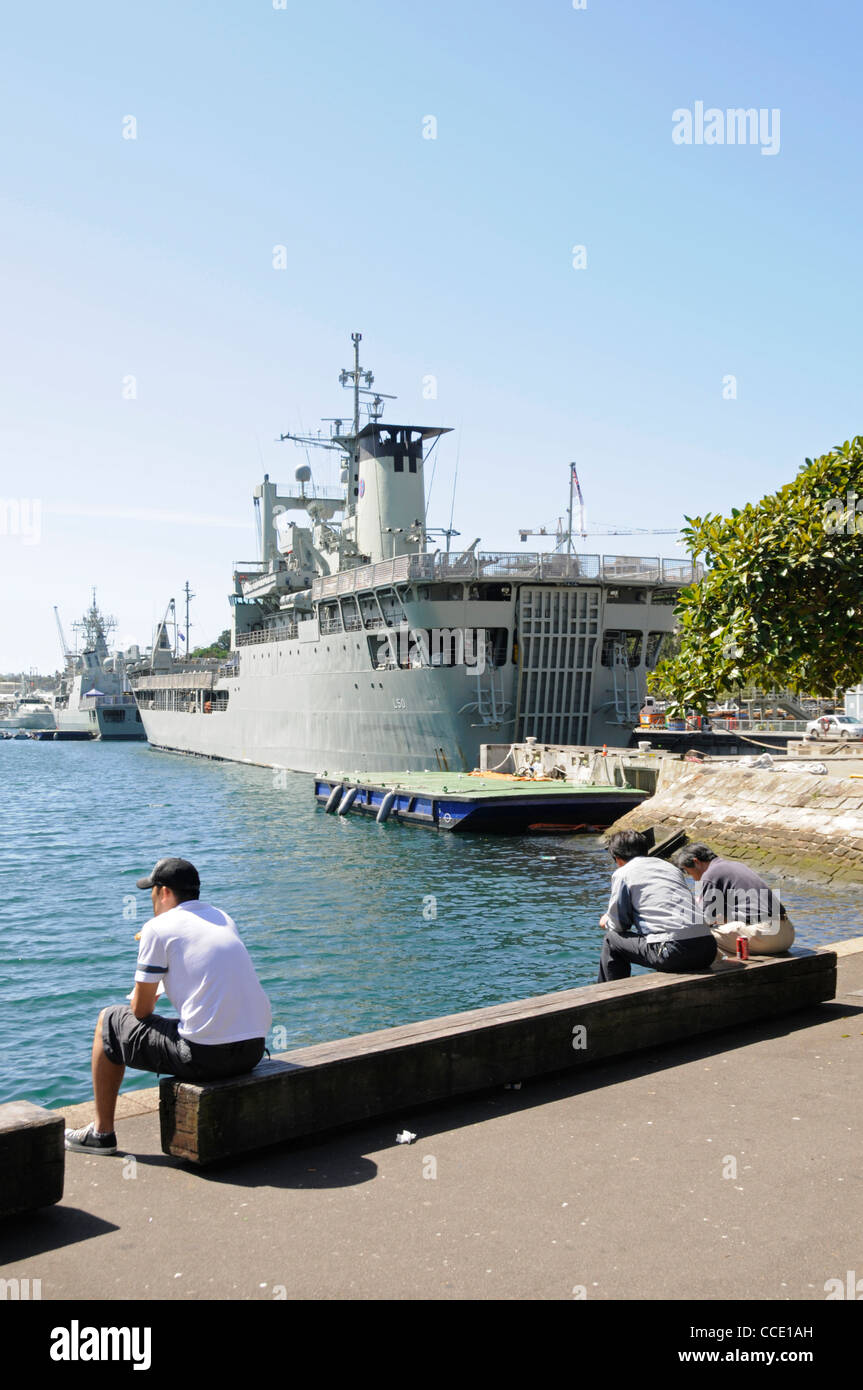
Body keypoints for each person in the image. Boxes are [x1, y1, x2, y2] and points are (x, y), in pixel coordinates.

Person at [65, 857, 272, 1155]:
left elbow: (140, 1011)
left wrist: (150, 979)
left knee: (108, 1021)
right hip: (252, 1050)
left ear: (164, 892)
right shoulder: (223, 918)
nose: (151, 898)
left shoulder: (157, 928)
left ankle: (101, 1133)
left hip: (206, 1057)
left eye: (151, 891)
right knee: (195, 1022)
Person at [597, 830, 717, 982]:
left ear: (617, 858)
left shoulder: (623, 873)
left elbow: (619, 925)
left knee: (611, 940)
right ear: (646, 851)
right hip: (708, 949)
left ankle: (610, 992)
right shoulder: (671, 868)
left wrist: (607, 921)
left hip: (674, 952)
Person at [673, 844, 794, 957]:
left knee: (697, 939)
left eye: (687, 871)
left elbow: (704, 920)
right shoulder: (735, 865)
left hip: (764, 935)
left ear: (696, 862)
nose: (692, 877)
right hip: (786, 934)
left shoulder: (709, 875)